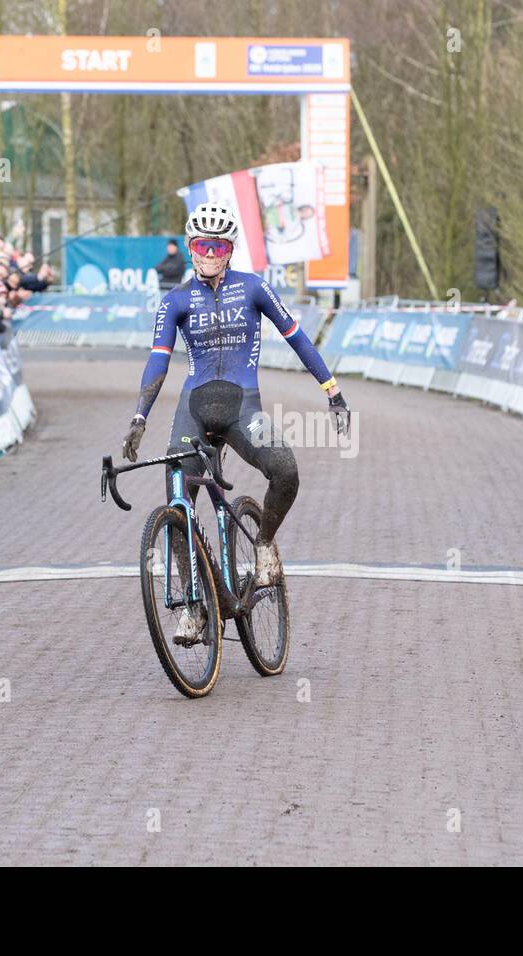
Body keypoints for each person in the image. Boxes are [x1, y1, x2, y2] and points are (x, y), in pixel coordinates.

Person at [120, 202, 350, 639]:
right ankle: (193, 605)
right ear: (191, 248)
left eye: (219, 245)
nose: (210, 253)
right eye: (202, 245)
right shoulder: (175, 301)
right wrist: (139, 416)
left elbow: (299, 339)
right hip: (195, 408)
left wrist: (333, 392)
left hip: (244, 407)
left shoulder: (253, 288)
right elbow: (157, 363)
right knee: (178, 497)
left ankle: (263, 543)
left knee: (285, 471)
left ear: (230, 250)